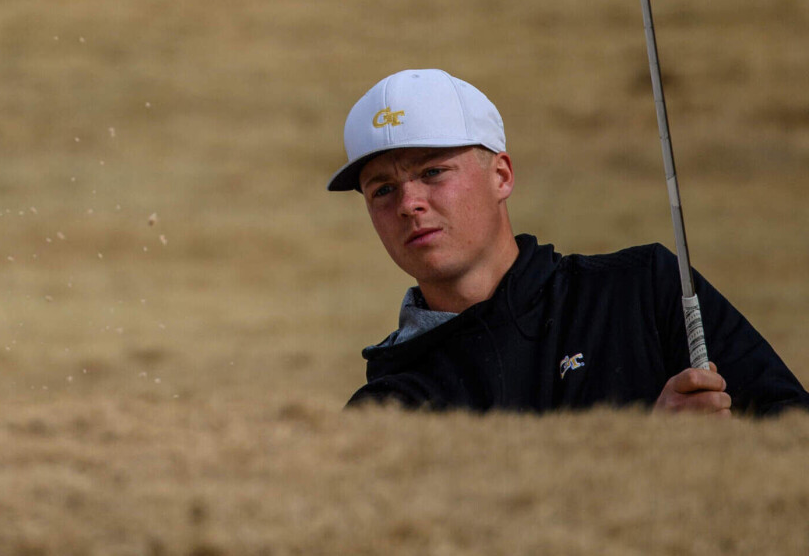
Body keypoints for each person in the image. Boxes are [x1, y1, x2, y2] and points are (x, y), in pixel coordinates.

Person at [328, 69, 809, 416]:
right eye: (383, 190)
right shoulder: (386, 413)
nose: (409, 202)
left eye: (432, 172)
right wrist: (654, 457)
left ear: (501, 175)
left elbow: (792, 434)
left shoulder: (643, 289)